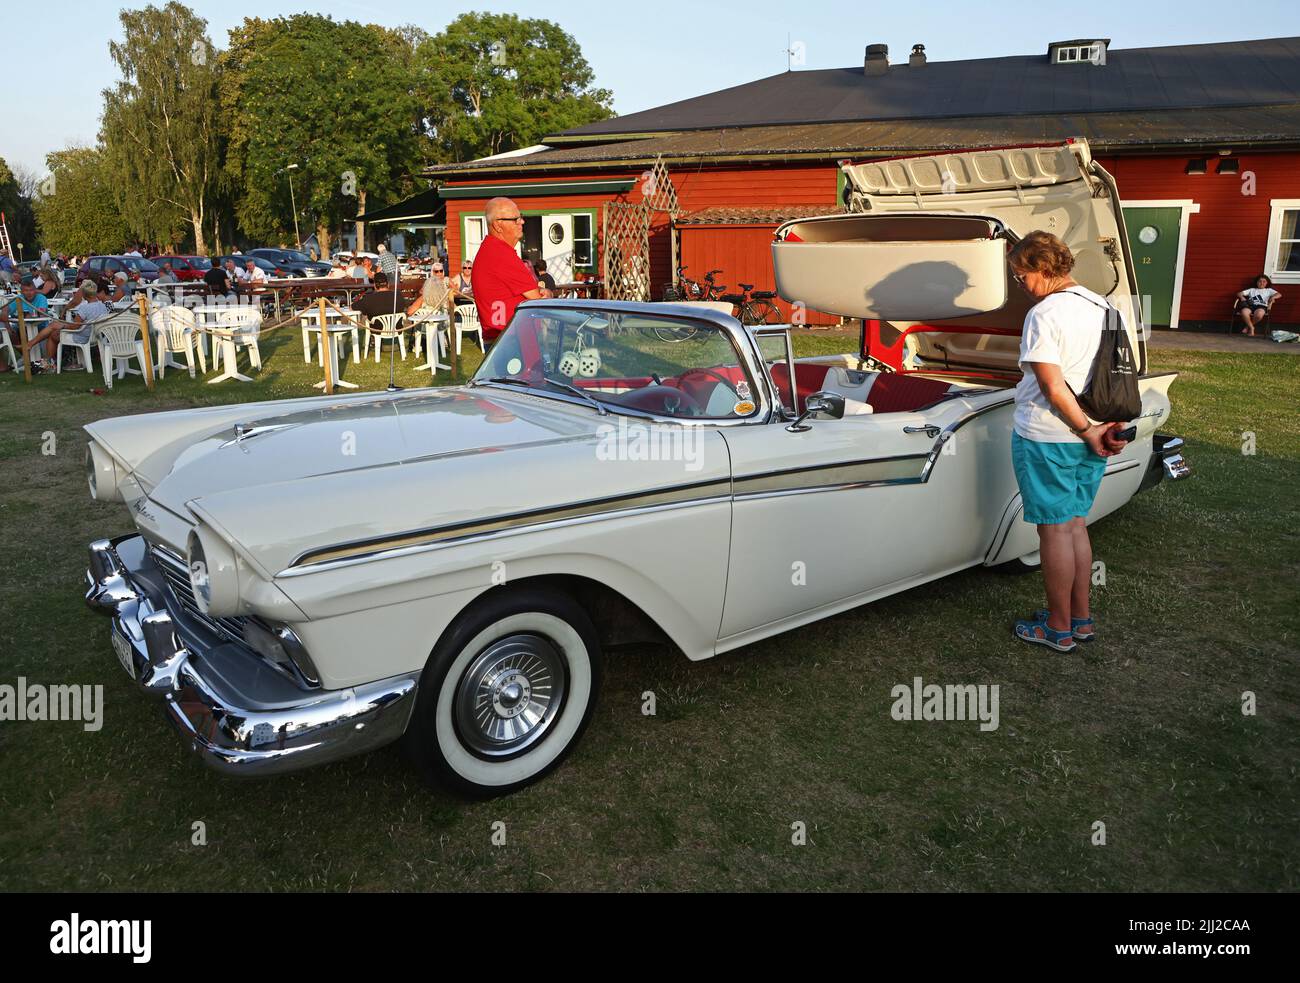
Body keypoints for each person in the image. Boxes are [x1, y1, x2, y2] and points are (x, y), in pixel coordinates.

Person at [1007, 231, 1128, 654]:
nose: (1021, 285)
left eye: (1021, 276)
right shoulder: (1105, 305)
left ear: (1042, 270)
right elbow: (1116, 375)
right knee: (1075, 524)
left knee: (1054, 532)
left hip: (1051, 434)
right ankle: (1080, 620)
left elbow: (1053, 387)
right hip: (1094, 431)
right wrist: (1099, 429)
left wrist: (1084, 429)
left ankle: (1057, 628)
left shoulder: (1045, 314)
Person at [471, 197, 551, 341]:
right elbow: (539, 300)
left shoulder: (490, 250)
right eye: (515, 219)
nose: (522, 221)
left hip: (504, 338)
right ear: (498, 225)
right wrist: (549, 294)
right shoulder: (501, 255)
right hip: (513, 339)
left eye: (520, 217)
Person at [27, 280, 110, 370]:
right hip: (95, 336)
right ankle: (33, 346)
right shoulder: (102, 306)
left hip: (82, 337)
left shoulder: (85, 308)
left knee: (53, 334)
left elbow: (74, 327)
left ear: (84, 295)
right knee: (55, 327)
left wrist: (62, 326)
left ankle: (49, 362)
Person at [0, 276, 52, 371]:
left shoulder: (41, 298)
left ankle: (28, 359)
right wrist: (8, 326)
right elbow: (5, 310)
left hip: (41, 328)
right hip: (22, 328)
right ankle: (26, 357)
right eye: (26, 290)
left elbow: (41, 314)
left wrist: (29, 316)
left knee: (20, 328)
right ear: (21, 291)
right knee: (9, 332)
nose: (29, 293)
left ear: (35, 290)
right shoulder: (19, 299)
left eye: (31, 290)